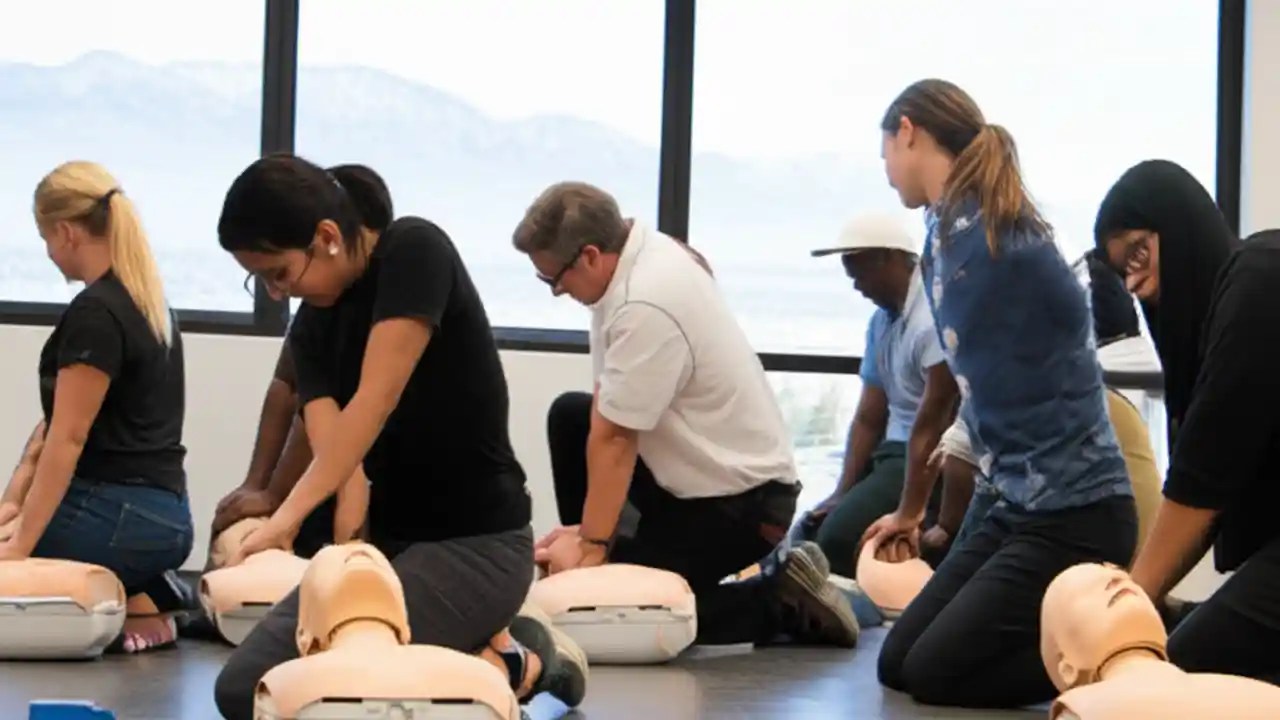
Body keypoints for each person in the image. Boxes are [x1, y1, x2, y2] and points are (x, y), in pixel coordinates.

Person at [210, 155, 583, 719]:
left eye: (278, 273)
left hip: (477, 546)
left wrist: (282, 522)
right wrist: (331, 556)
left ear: (328, 237)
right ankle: (491, 651)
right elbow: (338, 451)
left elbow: (374, 402)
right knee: (244, 691)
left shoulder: (414, 252)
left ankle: (517, 663)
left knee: (340, 686)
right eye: (258, 279)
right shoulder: (312, 324)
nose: (275, 293)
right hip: (392, 550)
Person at [865, 79, 1138, 708]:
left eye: (885, 152)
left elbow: (972, 387)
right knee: (899, 662)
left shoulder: (999, 242)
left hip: (1075, 514)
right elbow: (985, 385)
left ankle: (1121, 653)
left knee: (936, 674)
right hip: (1016, 507)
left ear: (909, 130)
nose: (884, 171)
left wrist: (932, 502)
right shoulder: (950, 235)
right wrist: (915, 513)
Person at [518, 181, 859, 648]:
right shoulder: (646, 250)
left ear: (591, 256)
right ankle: (602, 569)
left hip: (743, 505)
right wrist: (587, 531)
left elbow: (616, 440)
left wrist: (593, 548)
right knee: (574, 417)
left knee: (622, 615)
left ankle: (778, 599)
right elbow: (605, 412)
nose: (556, 293)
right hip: (698, 479)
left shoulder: (644, 302)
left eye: (553, 279)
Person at [1095, 158, 1280, 685]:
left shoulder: (1258, 279)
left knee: (1178, 670)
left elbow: (1204, 478)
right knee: (1187, 641)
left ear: (1179, 226)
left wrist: (1123, 608)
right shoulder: (1241, 293)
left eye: (1138, 252)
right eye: (1121, 270)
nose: (1133, 283)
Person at [0, 160, 194, 653]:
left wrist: (20, 546)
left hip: (121, 513)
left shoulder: (95, 312)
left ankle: (147, 594)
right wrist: (14, 505)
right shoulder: (149, 304)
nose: (48, 254)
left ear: (65, 232)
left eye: (45, 239)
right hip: (163, 515)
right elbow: (54, 430)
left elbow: (68, 437)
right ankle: (150, 593)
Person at [803, 214, 959, 576]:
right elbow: (868, 417)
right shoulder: (881, 322)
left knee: (837, 540)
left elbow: (938, 420)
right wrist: (841, 490)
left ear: (888, 259)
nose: (856, 286)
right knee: (811, 530)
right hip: (893, 451)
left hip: (926, 457)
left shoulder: (933, 319)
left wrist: (910, 508)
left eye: (859, 274)